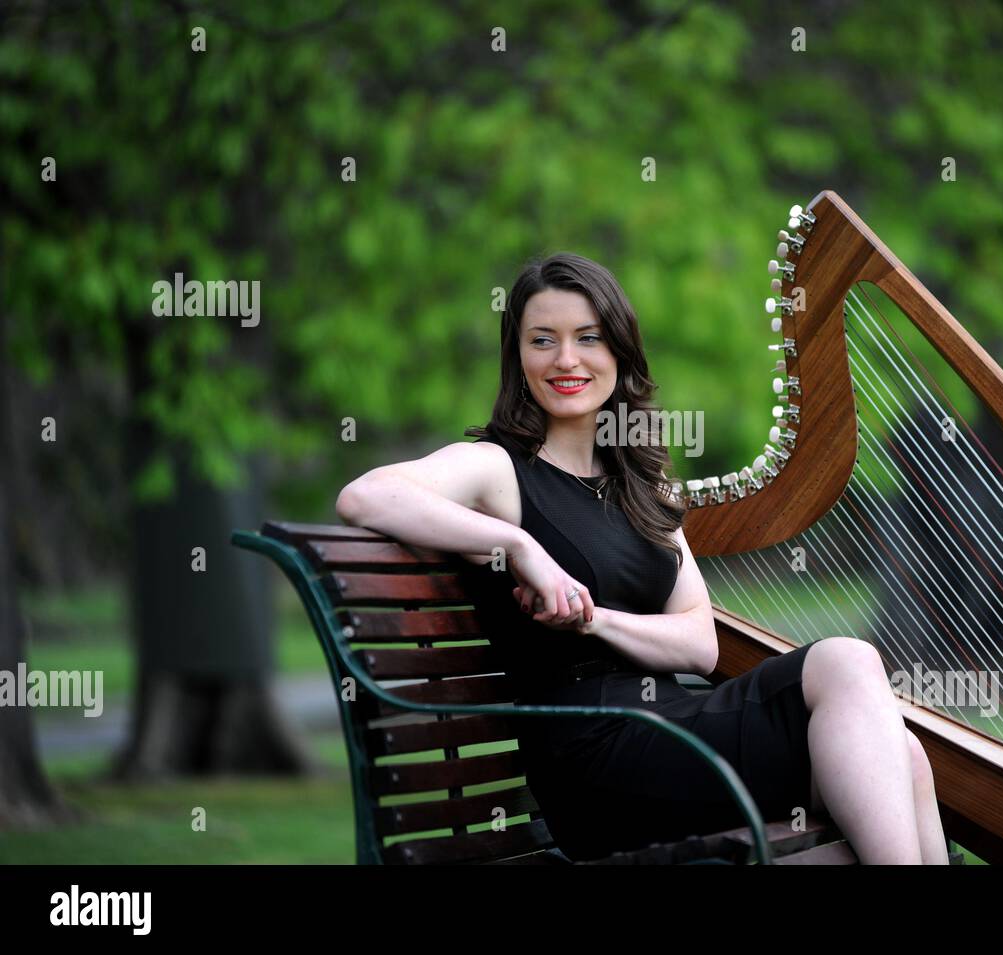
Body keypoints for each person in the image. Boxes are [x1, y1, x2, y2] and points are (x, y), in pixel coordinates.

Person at [335, 252, 949, 864]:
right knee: (845, 662)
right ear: (518, 358)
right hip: (597, 758)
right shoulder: (500, 467)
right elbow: (365, 496)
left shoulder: (642, 483)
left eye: (588, 338)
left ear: (620, 352)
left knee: (903, 756)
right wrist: (519, 545)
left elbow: (699, 644)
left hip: (669, 729)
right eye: (542, 340)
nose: (565, 360)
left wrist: (593, 618)